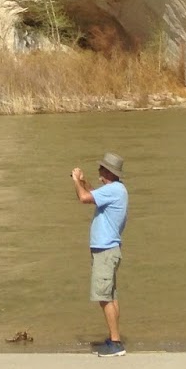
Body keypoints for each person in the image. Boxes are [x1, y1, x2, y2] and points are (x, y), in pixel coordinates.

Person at [71, 150, 129, 356]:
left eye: (101, 169)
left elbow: (84, 198)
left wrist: (76, 181)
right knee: (110, 296)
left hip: (105, 250)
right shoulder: (116, 190)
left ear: (109, 173)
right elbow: (94, 195)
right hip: (108, 250)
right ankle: (114, 338)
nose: (99, 171)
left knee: (104, 297)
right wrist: (85, 182)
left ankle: (115, 343)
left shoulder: (113, 190)